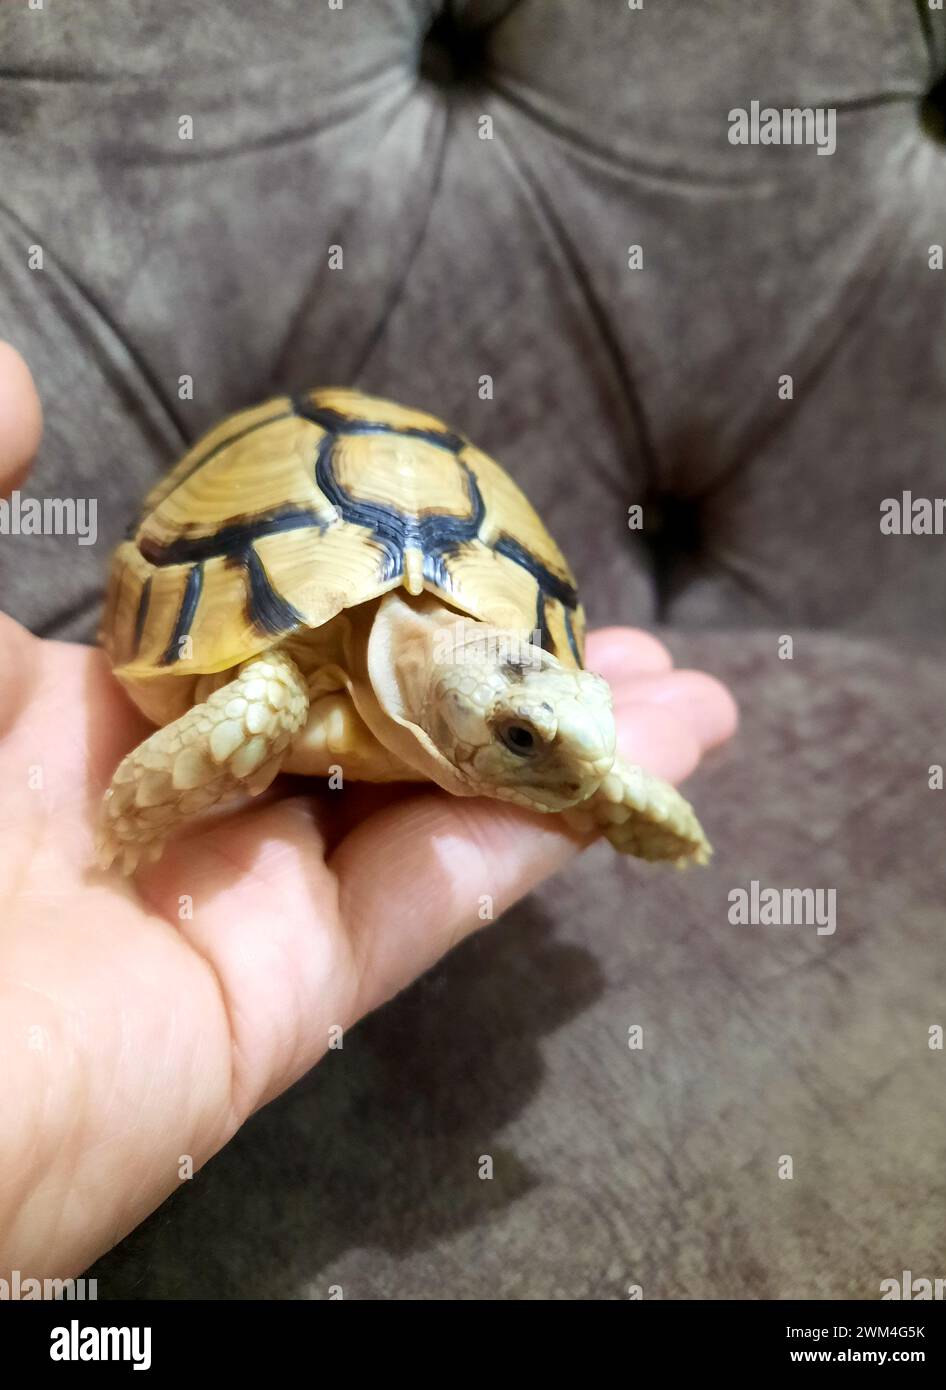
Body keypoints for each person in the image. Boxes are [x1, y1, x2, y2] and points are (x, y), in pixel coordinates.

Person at [0, 342, 736, 1277]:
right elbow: (248, 698)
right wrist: (127, 824)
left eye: (557, 727)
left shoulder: (502, 690)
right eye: (521, 739)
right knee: (260, 708)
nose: (571, 764)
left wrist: (601, 779)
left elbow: (571, 742)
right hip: (266, 597)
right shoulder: (280, 678)